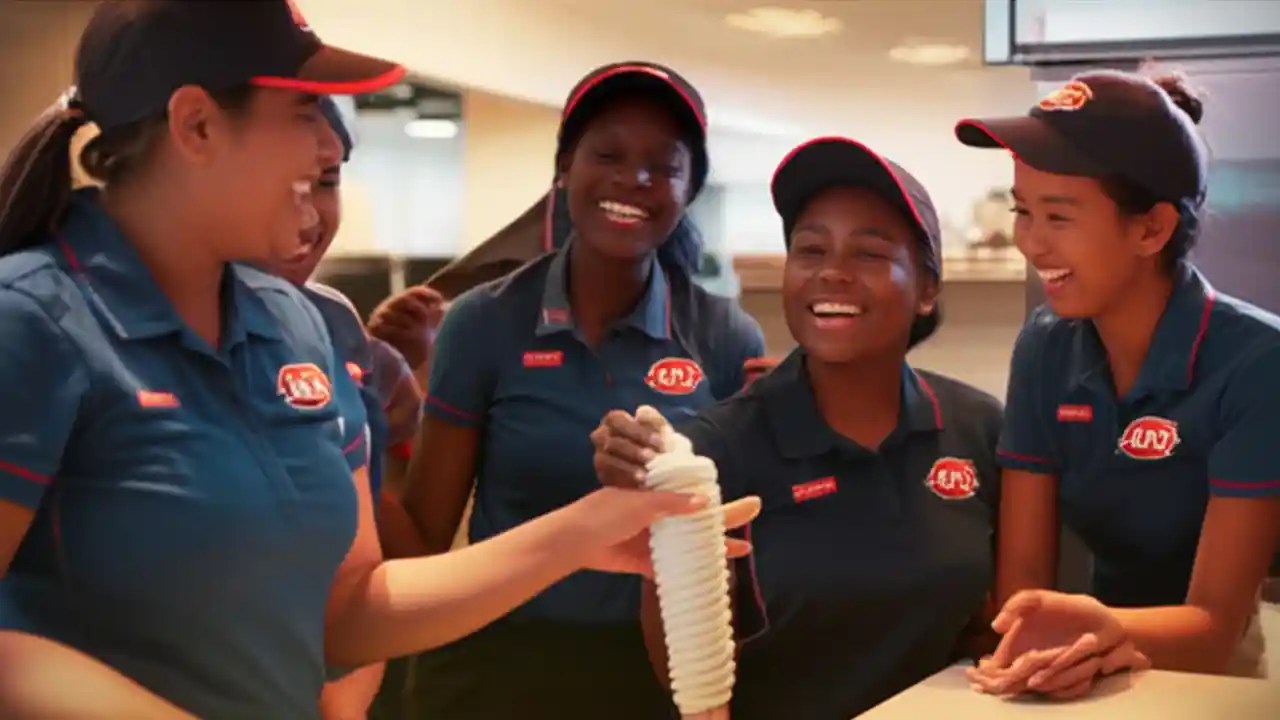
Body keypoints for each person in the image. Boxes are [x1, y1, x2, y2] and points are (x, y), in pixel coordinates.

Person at [0, 4, 753, 719]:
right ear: (196, 125)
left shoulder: (295, 326)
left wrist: (592, 528)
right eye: (302, 113)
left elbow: (349, 611)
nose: (328, 148)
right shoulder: (33, 321)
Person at [592, 136, 1008, 719]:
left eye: (869, 253)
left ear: (927, 289)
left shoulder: (980, 428)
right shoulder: (716, 451)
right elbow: (687, 678)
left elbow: (989, 629)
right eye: (811, 250)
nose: (832, 273)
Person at [403, 61, 766, 718]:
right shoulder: (486, 320)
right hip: (493, 668)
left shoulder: (724, 334)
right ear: (564, 167)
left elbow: (731, 545)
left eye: (665, 165)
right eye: (609, 154)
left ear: (689, 190)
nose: (635, 178)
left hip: (652, 671)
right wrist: (372, 412)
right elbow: (424, 534)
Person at [956, 70, 1280, 697]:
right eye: (1024, 210)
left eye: (1059, 215)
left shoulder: (1258, 361)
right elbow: (1025, 585)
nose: (1033, 242)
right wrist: (1032, 638)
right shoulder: (1045, 347)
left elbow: (1214, 629)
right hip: (1081, 654)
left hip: (1212, 669)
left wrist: (1083, 628)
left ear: (1151, 230)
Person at [258, 95, 425, 720]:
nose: (306, 211)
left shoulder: (335, 330)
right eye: (285, 179)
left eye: (327, 180)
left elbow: (369, 570)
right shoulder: (54, 318)